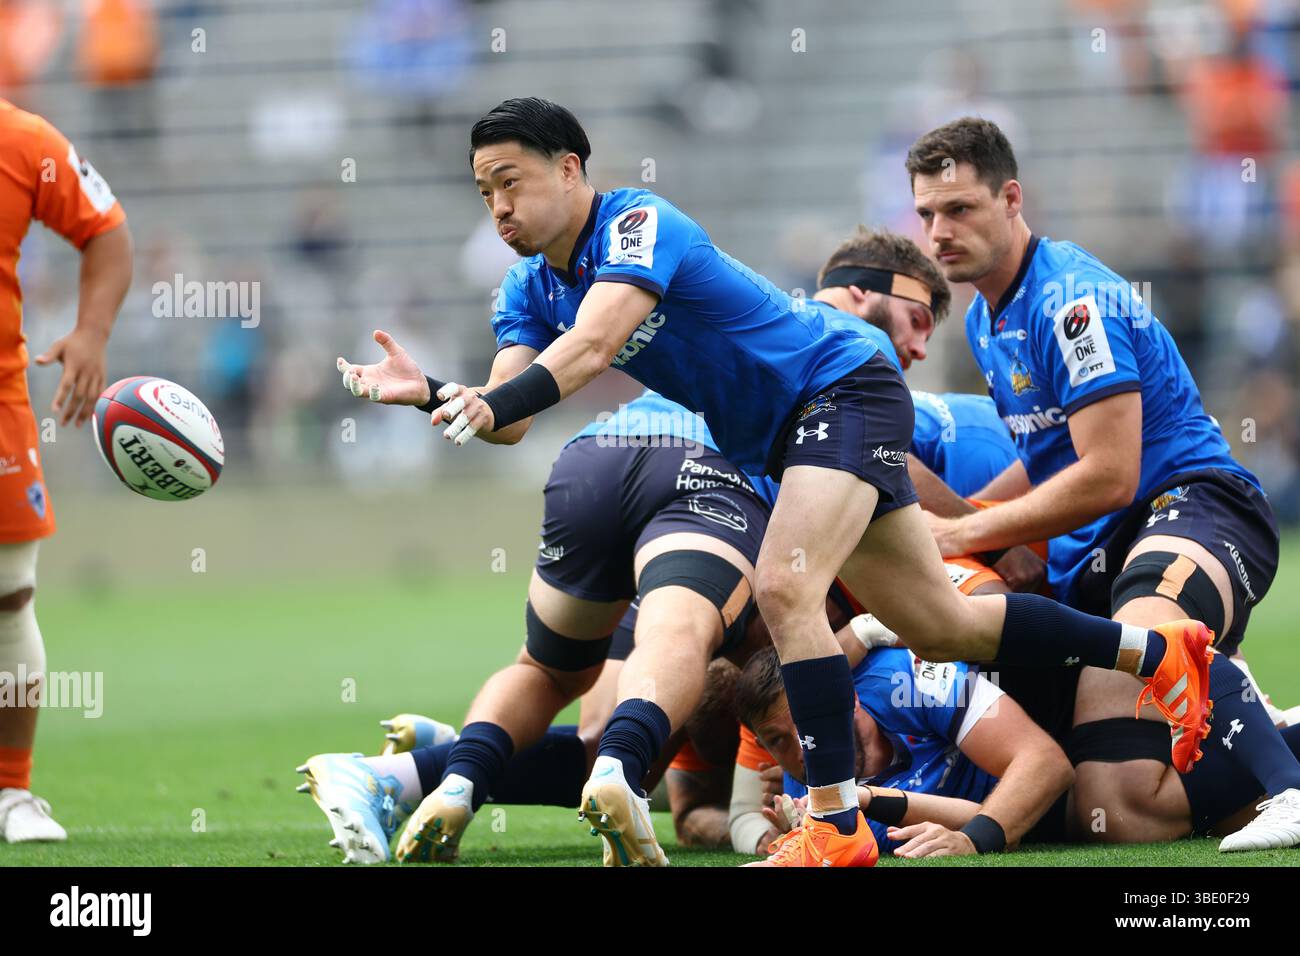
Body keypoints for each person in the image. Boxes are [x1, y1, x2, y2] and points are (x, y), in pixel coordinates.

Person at [338, 97, 1217, 868]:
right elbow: (514, 413)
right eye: (484, 191)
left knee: (786, 586)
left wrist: (489, 405)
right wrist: (436, 396)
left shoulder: (639, 223)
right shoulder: (529, 288)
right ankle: (1158, 654)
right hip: (778, 435)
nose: (498, 206)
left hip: (837, 387)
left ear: (571, 171)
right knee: (941, 625)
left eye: (512, 181)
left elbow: (594, 348)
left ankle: (835, 825)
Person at [906, 116, 1300, 851]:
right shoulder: (990, 321)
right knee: (1117, 805)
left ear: (1012, 198)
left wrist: (963, 531)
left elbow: (1110, 474)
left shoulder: (1071, 303)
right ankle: (1279, 734)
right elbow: (1053, 454)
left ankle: (1290, 787)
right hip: (1109, 551)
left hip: (1195, 503)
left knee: (1157, 631)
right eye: (927, 213)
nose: (939, 232)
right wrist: (979, 525)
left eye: (960, 209)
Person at [299, 389, 773, 864]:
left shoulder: (765, 346)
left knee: (556, 683)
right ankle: (416, 772)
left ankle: (456, 764)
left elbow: (534, 384)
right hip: (707, 498)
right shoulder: (827, 396)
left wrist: (429, 389)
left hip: (594, 458)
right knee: (620, 739)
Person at [0, 98, 133, 842]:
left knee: (8, 597)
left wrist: (91, 331)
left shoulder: (21, 139)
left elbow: (106, 230)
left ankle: (10, 793)